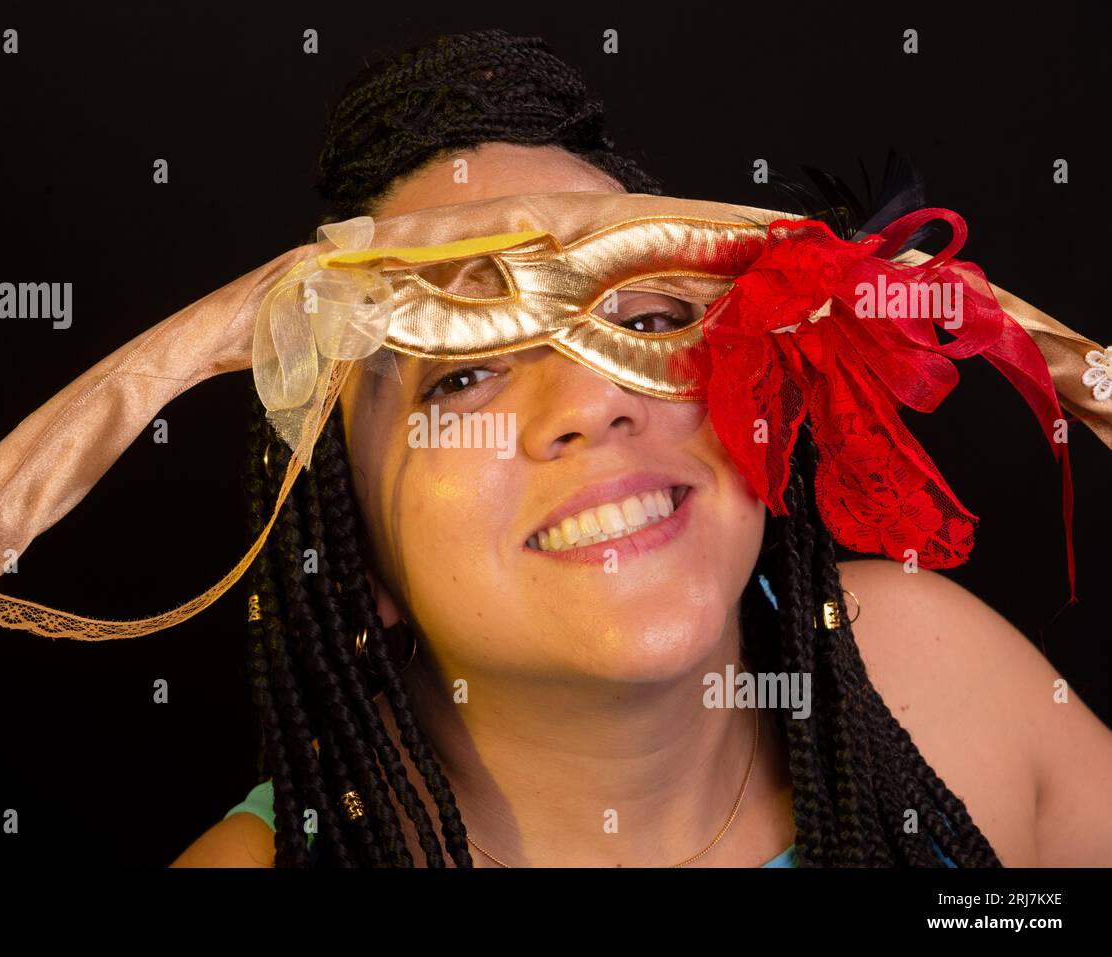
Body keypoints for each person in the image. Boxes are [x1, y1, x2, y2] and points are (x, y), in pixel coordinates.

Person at [168, 30, 1112, 868]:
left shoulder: (937, 672)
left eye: (650, 318)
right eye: (461, 374)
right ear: (355, 545)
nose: (595, 401)